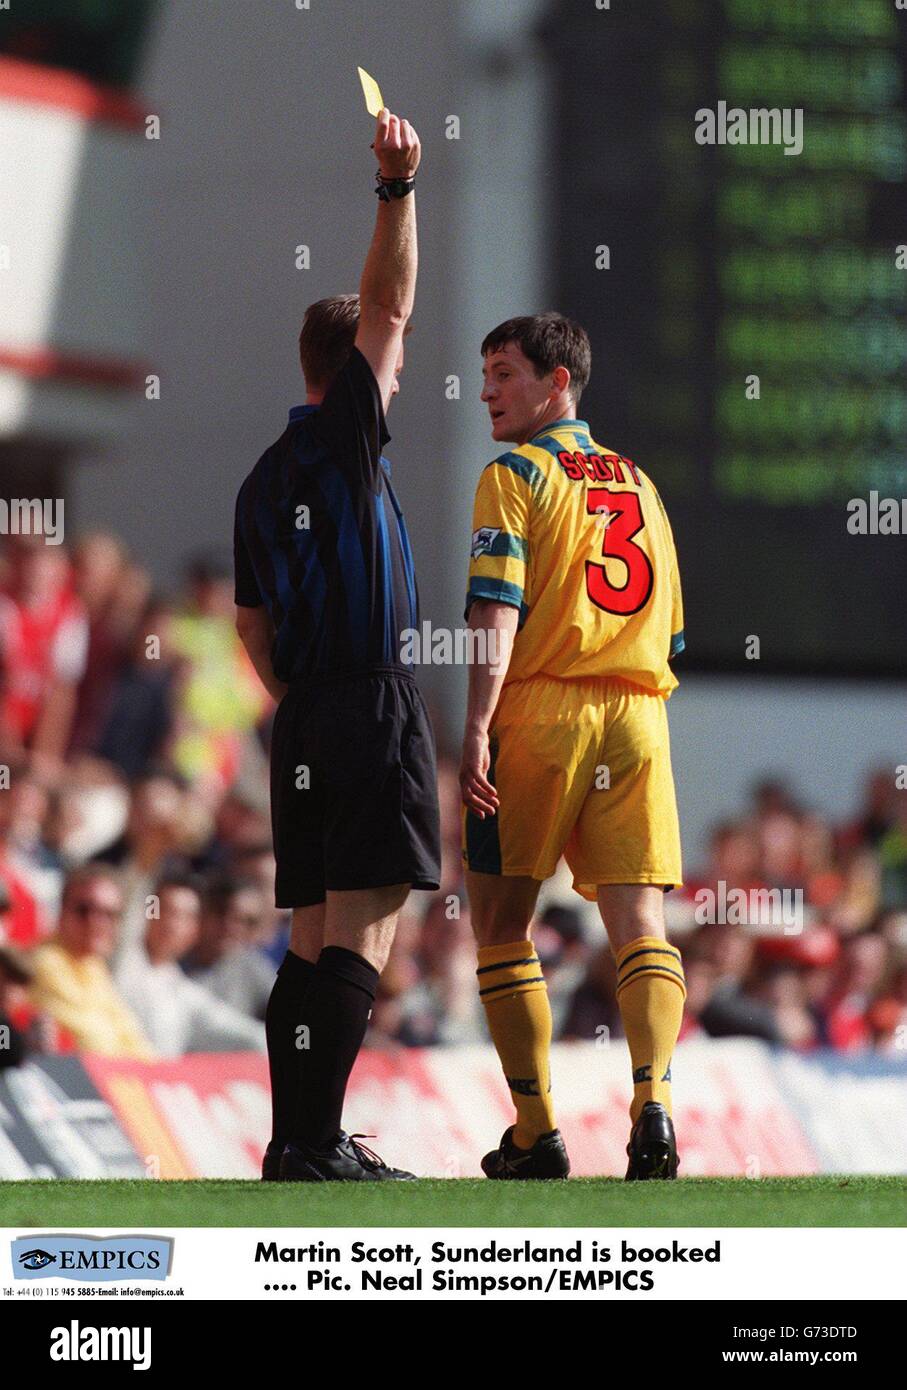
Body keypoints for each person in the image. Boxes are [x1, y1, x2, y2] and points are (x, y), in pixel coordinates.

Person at [233, 107, 441, 1182]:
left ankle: (294, 1137)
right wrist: (397, 189)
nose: (397, 371)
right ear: (353, 359)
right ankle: (314, 1140)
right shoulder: (349, 435)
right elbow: (394, 303)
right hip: (363, 705)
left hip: (307, 711)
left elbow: (249, 621)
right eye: (385, 357)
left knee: (312, 934)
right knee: (366, 929)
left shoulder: (263, 474)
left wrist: (292, 695)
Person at [459, 313, 686, 1180]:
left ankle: (535, 1132)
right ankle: (654, 1107)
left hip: (542, 711)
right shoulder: (641, 484)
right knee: (640, 924)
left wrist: (477, 724)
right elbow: (668, 640)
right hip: (637, 713)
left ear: (558, 384)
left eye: (504, 373)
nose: (486, 390)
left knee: (500, 924)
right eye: (483, 374)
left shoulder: (513, 473)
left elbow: (494, 611)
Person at [115, 874, 265, 1057]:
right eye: (163, 910)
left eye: (184, 916)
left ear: (196, 929)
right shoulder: (121, 959)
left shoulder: (185, 994)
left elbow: (251, 1036)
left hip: (152, 1082)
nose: (171, 923)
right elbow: (136, 889)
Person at [28, 865, 155, 1059]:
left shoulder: (93, 966)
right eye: (84, 910)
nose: (96, 922)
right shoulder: (44, 961)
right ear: (62, 911)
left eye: (109, 914)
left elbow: (133, 1039)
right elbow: (95, 1043)